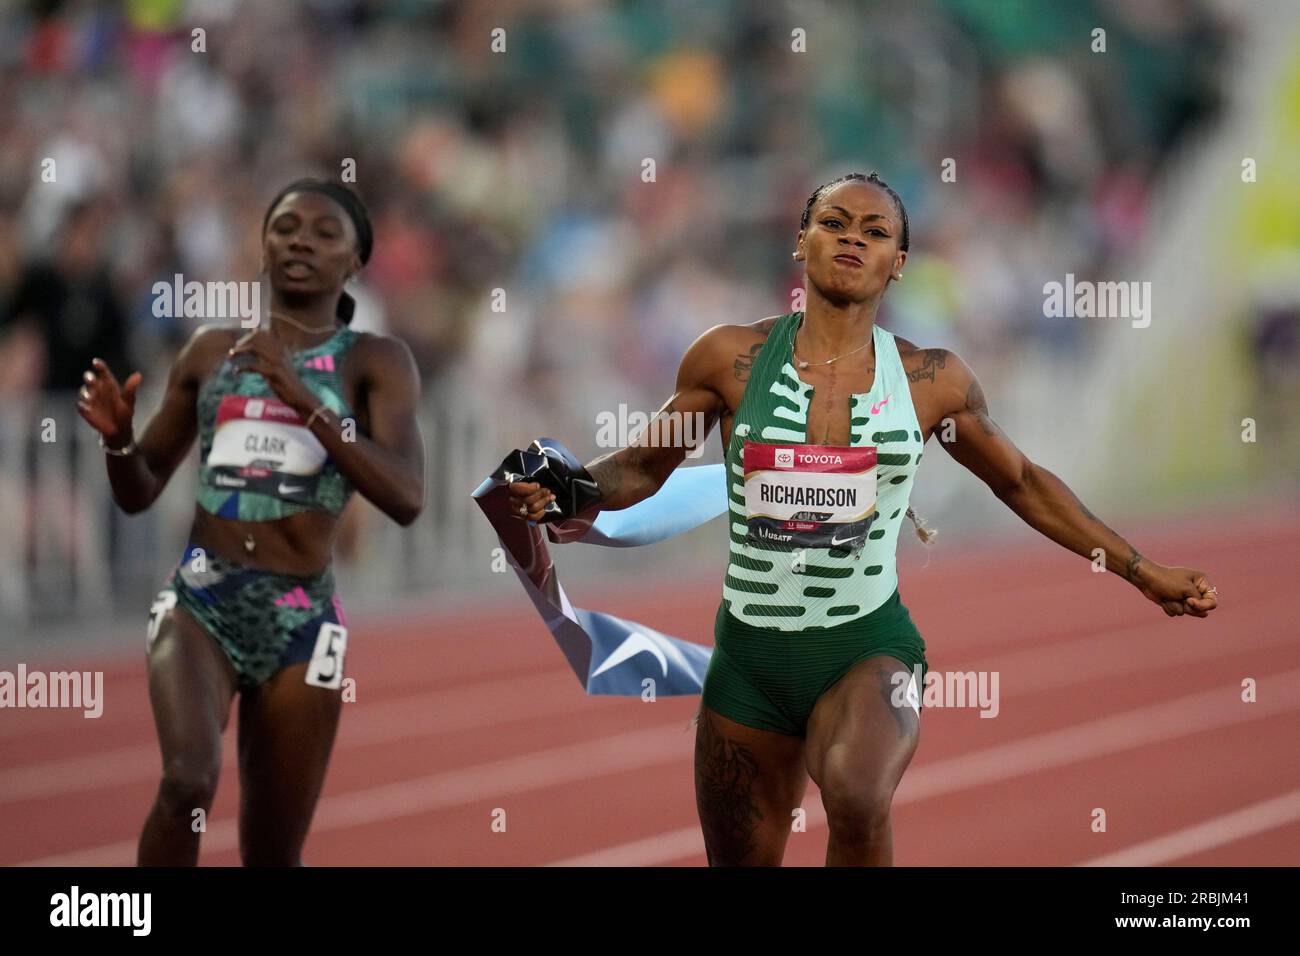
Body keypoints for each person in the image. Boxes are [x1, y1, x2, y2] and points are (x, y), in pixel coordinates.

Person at [507, 171, 1218, 866]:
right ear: (802, 242)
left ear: (898, 263)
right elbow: (637, 468)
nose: (852, 239)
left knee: (855, 793)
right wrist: (565, 488)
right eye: (834, 224)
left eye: (874, 232)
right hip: (748, 660)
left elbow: (1023, 482)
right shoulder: (728, 359)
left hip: (866, 649)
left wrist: (1139, 569)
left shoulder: (931, 381)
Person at [76, 178, 426, 866]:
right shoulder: (211, 353)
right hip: (201, 600)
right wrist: (119, 442)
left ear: (355, 262)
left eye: (326, 233)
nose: (301, 240)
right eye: (286, 226)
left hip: (303, 619)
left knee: (271, 852)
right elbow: (139, 491)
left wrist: (300, 394)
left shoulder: (375, 362)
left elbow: (406, 496)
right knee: (187, 782)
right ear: (264, 246)